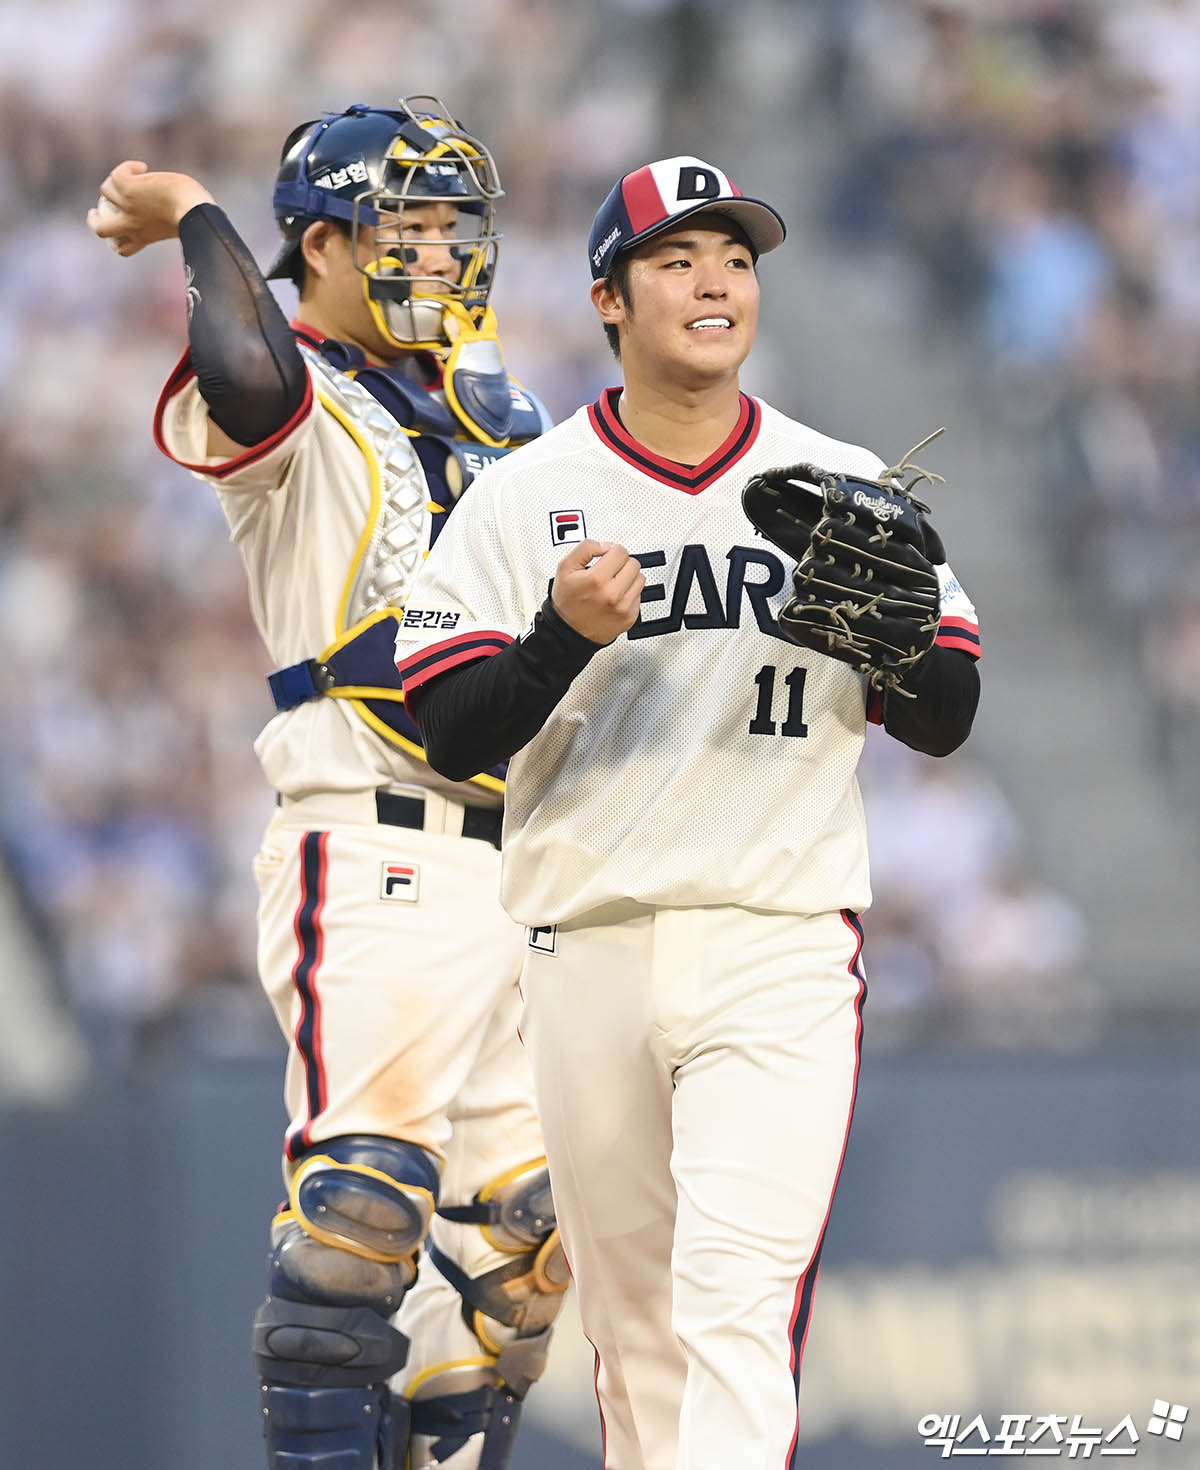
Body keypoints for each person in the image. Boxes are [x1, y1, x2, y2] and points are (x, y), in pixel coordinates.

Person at [394, 156, 982, 1469]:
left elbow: (948, 708)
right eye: (677, 257)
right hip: (584, 947)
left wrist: (892, 638)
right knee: (640, 1338)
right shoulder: (524, 494)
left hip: (774, 940)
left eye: (736, 256)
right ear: (610, 298)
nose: (715, 278)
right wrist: (555, 639)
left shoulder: (842, 477)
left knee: (731, 1301)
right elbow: (446, 732)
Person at [87, 99, 568, 1470]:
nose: (439, 249)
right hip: (374, 836)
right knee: (362, 1213)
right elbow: (241, 371)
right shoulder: (293, 380)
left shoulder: (504, 409)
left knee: (520, 1251)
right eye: (406, 222)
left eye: (452, 223)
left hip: (521, 857)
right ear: (323, 240)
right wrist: (192, 206)